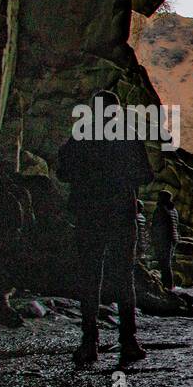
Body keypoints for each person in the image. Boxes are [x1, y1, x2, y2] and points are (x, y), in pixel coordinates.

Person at [57, 89, 152, 366]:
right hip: (121, 214)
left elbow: (63, 172)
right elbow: (146, 174)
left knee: (89, 277)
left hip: (89, 215)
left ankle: (89, 343)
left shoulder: (81, 135)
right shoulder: (127, 135)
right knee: (124, 277)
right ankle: (129, 341)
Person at [150, 189, 180, 291]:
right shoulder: (174, 210)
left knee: (164, 264)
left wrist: (154, 238)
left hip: (164, 240)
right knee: (167, 264)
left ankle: (167, 287)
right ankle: (168, 286)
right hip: (173, 239)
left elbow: (157, 226)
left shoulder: (161, 209)